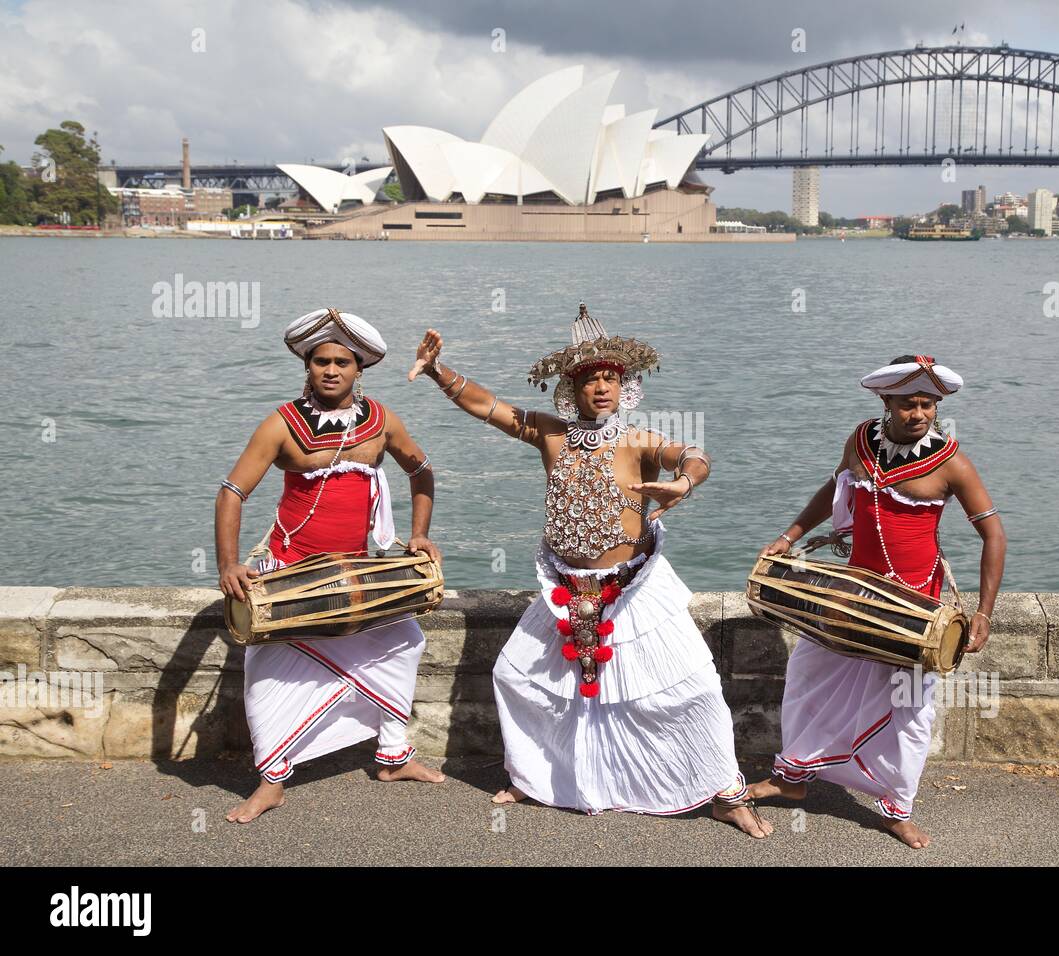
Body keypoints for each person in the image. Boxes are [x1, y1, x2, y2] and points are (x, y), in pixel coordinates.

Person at [407, 304, 772, 838]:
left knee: (691, 688)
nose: (601, 388)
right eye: (589, 380)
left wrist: (682, 484)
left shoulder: (640, 440)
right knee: (515, 676)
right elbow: (490, 408)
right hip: (563, 587)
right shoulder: (551, 435)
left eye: (610, 378)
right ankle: (537, 778)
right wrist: (438, 371)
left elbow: (695, 455)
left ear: (625, 388)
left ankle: (725, 792)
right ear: (569, 391)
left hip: (634, 590)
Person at [748, 355, 1006, 848]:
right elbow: (834, 486)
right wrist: (790, 535)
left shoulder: (952, 462)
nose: (920, 414)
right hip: (852, 593)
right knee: (807, 677)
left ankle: (895, 808)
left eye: (928, 404)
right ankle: (793, 778)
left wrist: (984, 613)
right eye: (908, 403)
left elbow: (993, 534)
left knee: (909, 708)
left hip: (915, 606)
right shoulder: (861, 440)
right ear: (884, 402)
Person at [216, 308, 445, 824]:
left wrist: (420, 533)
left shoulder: (382, 422)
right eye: (322, 361)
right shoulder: (281, 424)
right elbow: (232, 491)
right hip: (289, 571)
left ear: (358, 369)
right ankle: (272, 782)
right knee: (268, 678)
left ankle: (392, 756)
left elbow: (423, 470)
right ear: (308, 365)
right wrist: (228, 564)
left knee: (406, 643)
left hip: (356, 573)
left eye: (342, 362)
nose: (331, 370)